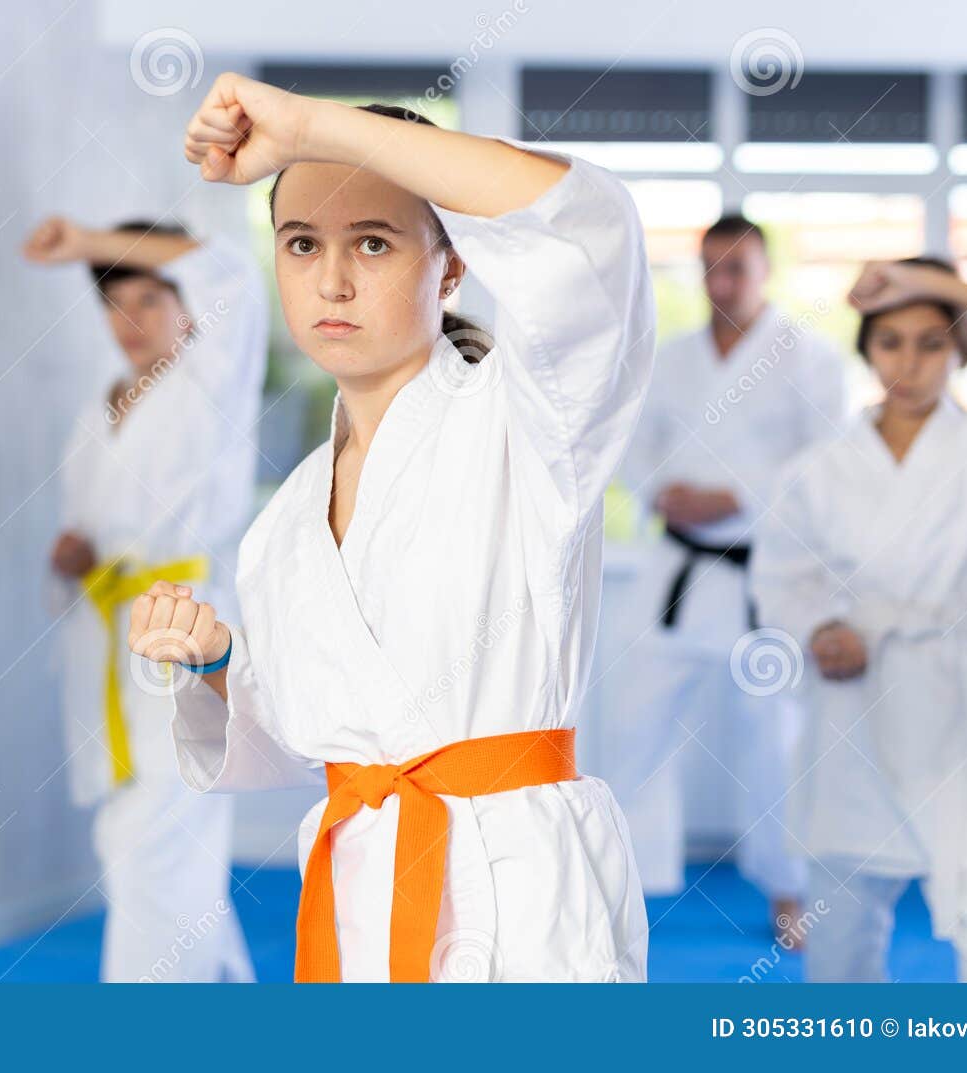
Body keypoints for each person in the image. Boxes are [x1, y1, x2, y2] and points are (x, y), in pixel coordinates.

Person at [127, 72, 656, 982]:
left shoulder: (526, 422)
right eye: (301, 244)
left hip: (517, 896)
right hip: (359, 890)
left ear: (450, 266)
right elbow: (300, 742)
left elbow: (587, 234)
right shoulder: (284, 522)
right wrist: (214, 667)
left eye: (373, 242)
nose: (331, 279)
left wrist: (310, 127)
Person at [751, 256, 967, 982]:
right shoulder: (817, 467)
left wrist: (934, 284)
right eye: (890, 341)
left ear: (961, 351)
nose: (909, 362)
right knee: (840, 931)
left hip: (961, 689)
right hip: (856, 697)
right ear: (866, 350)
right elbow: (785, 574)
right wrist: (818, 630)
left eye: (932, 341)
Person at [27, 216, 265, 982]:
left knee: (162, 823)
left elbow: (231, 266)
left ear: (188, 306)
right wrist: (73, 558)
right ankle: (219, 979)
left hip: (185, 620)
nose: (131, 322)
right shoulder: (99, 412)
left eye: (151, 300)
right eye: (115, 303)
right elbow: (92, 536)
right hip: (109, 633)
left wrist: (93, 241)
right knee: (137, 828)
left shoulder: (211, 377)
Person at [604, 214, 845, 939]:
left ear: (766, 271)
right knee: (631, 723)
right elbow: (631, 442)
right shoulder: (670, 358)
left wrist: (739, 495)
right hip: (676, 569)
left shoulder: (810, 357)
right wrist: (659, 491)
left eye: (738, 267)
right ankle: (622, 887)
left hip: (762, 574)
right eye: (712, 266)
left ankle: (789, 892)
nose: (724, 282)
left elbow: (829, 462)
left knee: (772, 738)